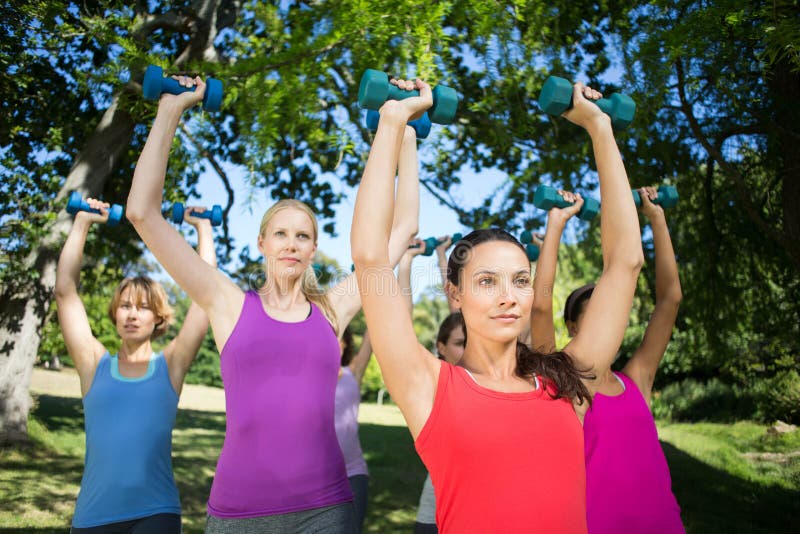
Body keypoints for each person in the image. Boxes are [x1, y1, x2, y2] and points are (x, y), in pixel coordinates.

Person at [125, 74, 420, 532]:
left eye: (303, 236)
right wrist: (171, 108)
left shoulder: (332, 308)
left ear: (313, 248)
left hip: (327, 507)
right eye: (281, 233)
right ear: (261, 242)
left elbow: (399, 233)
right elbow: (142, 212)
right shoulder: (227, 303)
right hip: (241, 511)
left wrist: (406, 135)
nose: (291, 244)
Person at [351, 77, 643, 532]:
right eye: (486, 281)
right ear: (455, 294)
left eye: (520, 280)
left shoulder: (566, 383)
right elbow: (371, 257)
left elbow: (625, 263)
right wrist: (392, 119)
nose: (509, 295)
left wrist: (599, 128)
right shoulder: (429, 386)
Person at [55, 199, 215, 533]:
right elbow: (65, 292)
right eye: (125, 305)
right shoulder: (93, 364)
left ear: (158, 318)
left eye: (142, 307)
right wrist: (81, 223)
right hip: (93, 515)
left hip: (156, 512)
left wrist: (203, 229)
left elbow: (205, 300)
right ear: (114, 313)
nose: (131, 314)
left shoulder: (170, 366)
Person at [559, 187, 685, 533]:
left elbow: (670, 300)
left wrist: (657, 219)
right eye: (598, 314)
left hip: (664, 524)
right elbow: (539, 310)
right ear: (572, 327)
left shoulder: (637, 379)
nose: (611, 321)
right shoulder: (567, 386)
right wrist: (555, 228)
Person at [400, 239, 465, 534]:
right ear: (441, 347)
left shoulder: (498, 375)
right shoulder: (439, 378)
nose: (467, 349)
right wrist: (408, 261)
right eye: (459, 344)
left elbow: (459, 308)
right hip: (436, 510)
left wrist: (442, 256)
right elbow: (400, 324)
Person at [335, 327, 372, 533]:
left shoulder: (353, 372)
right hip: (316, 474)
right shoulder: (305, 377)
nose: (334, 343)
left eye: (339, 338)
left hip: (353, 472)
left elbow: (370, 339)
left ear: (346, 344)